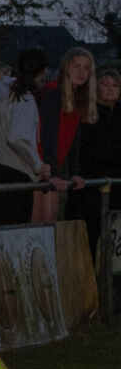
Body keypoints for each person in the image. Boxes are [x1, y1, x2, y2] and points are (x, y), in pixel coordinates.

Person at [0, 48, 49, 226]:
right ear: (43, 72)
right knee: (14, 232)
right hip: (15, 173)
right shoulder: (24, 99)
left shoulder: (3, 93)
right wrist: (38, 164)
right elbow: (16, 138)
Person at [34, 47, 96, 222]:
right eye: (77, 66)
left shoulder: (78, 98)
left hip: (54, 167)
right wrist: (51, 171)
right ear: (66, 67)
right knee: (43, 219)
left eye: (86, 68)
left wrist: (74, 172)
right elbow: (48, 134)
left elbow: (73, 139)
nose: (81, 72)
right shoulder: (53, 92)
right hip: (41, 167)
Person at [68, 67, 120, 256]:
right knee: (89, 237)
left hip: (116, 186)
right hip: (90, 186)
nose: (110, 89)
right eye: (105, 84)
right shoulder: (86, 114)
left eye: (115, 85)